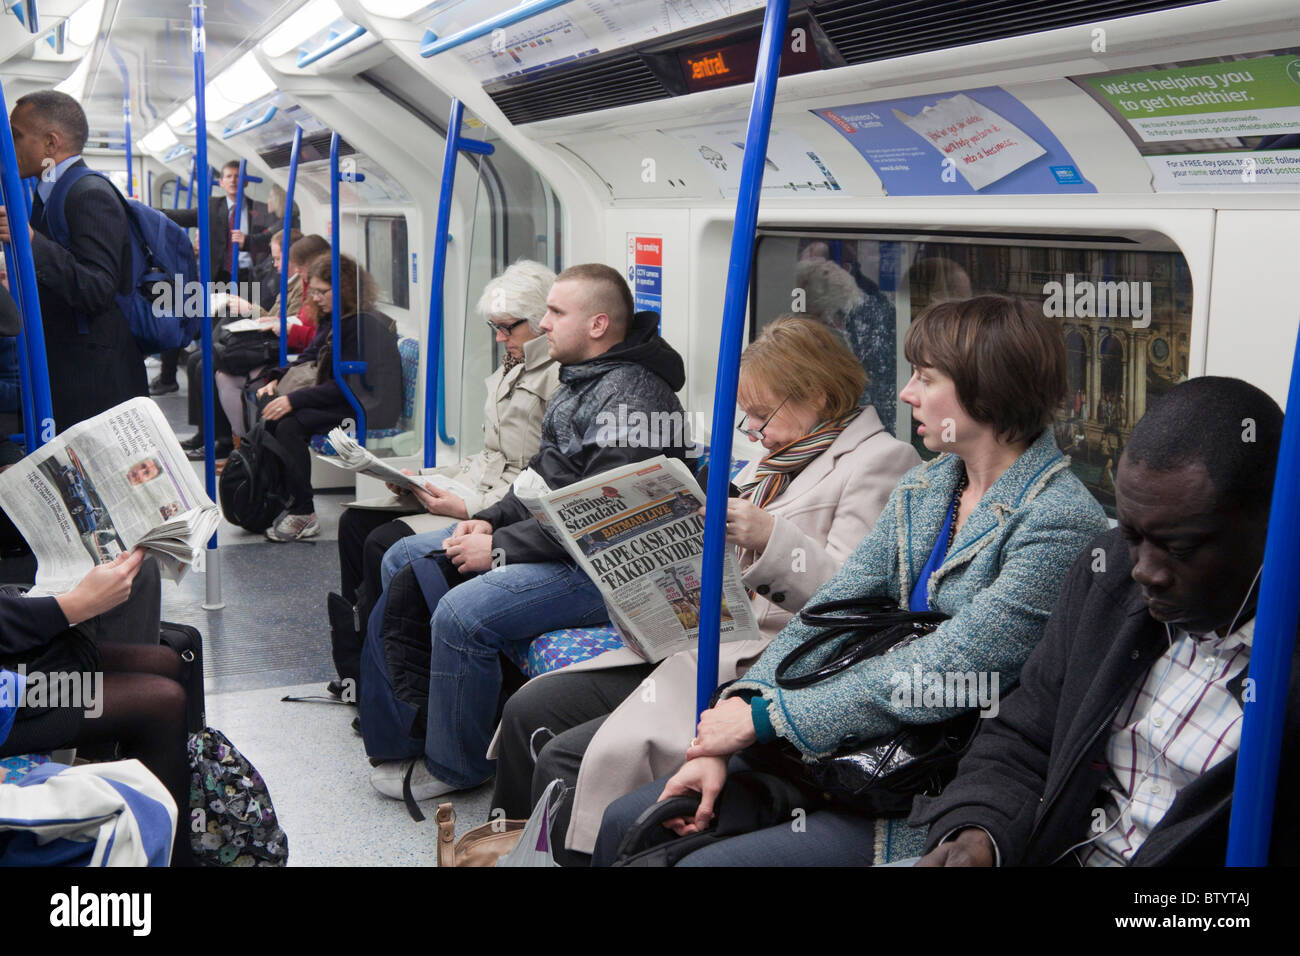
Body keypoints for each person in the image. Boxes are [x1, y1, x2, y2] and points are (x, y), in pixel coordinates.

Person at [593, 294, 1109, 866]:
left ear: (988, 387)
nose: (908, 393)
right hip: (838, 745)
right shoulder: (930, 486)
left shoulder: (1059, 521)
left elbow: (948, 669)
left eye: (925, 378)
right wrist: (734, 716)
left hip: (927, 782)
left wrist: (767, 720)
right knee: (628, 823)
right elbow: (829, 613)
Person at [490, 316, 921, 864]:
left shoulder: (883, 461)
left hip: (760, 659)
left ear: (817, 393)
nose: (753, 428)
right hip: (695, 633)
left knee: (568, 758)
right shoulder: (778, 456)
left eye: (763, 414)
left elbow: (852, 600)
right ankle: (505, 852)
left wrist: (770, 536)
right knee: (530, 707)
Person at [911, 376, 1295, 866]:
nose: (1145, 571)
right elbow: (1026, 734)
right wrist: (978, 833)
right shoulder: (1107, 576)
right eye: (1133, 535)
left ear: (1273, 525)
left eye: (1179, 549)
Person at [363, 263, 692, 802]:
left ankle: (458, 764)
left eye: (555, 313)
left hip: (610, 570)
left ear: (598, 324)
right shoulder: (581, 381)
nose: (542, 325)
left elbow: (606, 520)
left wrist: (498, 549)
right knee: (401, 555)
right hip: (561, 546)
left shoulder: (632, 397)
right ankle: (424, 716)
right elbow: (543, 478)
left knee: (462, 614)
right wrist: (489, 519)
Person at [328, 260, 561, 697]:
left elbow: (540, 477)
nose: (498, 338)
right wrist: (426, 476)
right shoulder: (513, 367)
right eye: (495, 327)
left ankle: (394, 686)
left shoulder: (559, 382)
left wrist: (469, 509)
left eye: (507, 328)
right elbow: (489, 455)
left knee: (382, 542)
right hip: (476, 487)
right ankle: (361, 668)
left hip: (499, 507)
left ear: (541, 324)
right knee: (354, 526)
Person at [0, 549, 193, 865]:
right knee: (161, 701)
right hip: (9, 692)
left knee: (166, 662)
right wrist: (73, 605)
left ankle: (153, 841)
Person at [0, 91, 147, 431]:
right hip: (69, 367)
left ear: (50, 143)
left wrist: (33, 243)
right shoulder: (49, 192)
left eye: (16, 135)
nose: (8, 145)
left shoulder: (88, 194)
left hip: (96, 380)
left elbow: (97, 289)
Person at [257, 254, 402, 541]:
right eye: (315, 292)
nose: (317, 298)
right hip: (348, 399)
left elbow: (345, 386)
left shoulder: (363, 327)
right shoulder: (334, 321)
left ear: (345, 289)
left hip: (368, 408)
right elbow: (310, 357)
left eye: (323, 292)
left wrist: (294, 400)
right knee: (275, 416)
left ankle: (304, 512)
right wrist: (276, 376)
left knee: (290, 424)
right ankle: (285, 499)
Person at [154, 159, 275, 395]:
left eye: (238, 177)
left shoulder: (259, 211)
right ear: (221, 182)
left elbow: (274, 242)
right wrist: (144, 210)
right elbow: (180, 216)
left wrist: (248, 241)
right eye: (228, 176)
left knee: (227, 333)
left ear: (245, 182)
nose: (233, 181)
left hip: (249, 281)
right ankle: (169, 377)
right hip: (218, 279)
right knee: (183, 319)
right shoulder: (211, 206)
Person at [206, 231, 324, 452]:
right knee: (218, 366)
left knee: (221, 369)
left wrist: (283, 326)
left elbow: (317, 339)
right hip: (293, 354)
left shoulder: (315, 292)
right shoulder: (305, 286)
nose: (277, 265)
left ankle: (244, 447)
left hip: (295, 357)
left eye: (279, 259)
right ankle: (240, 445)